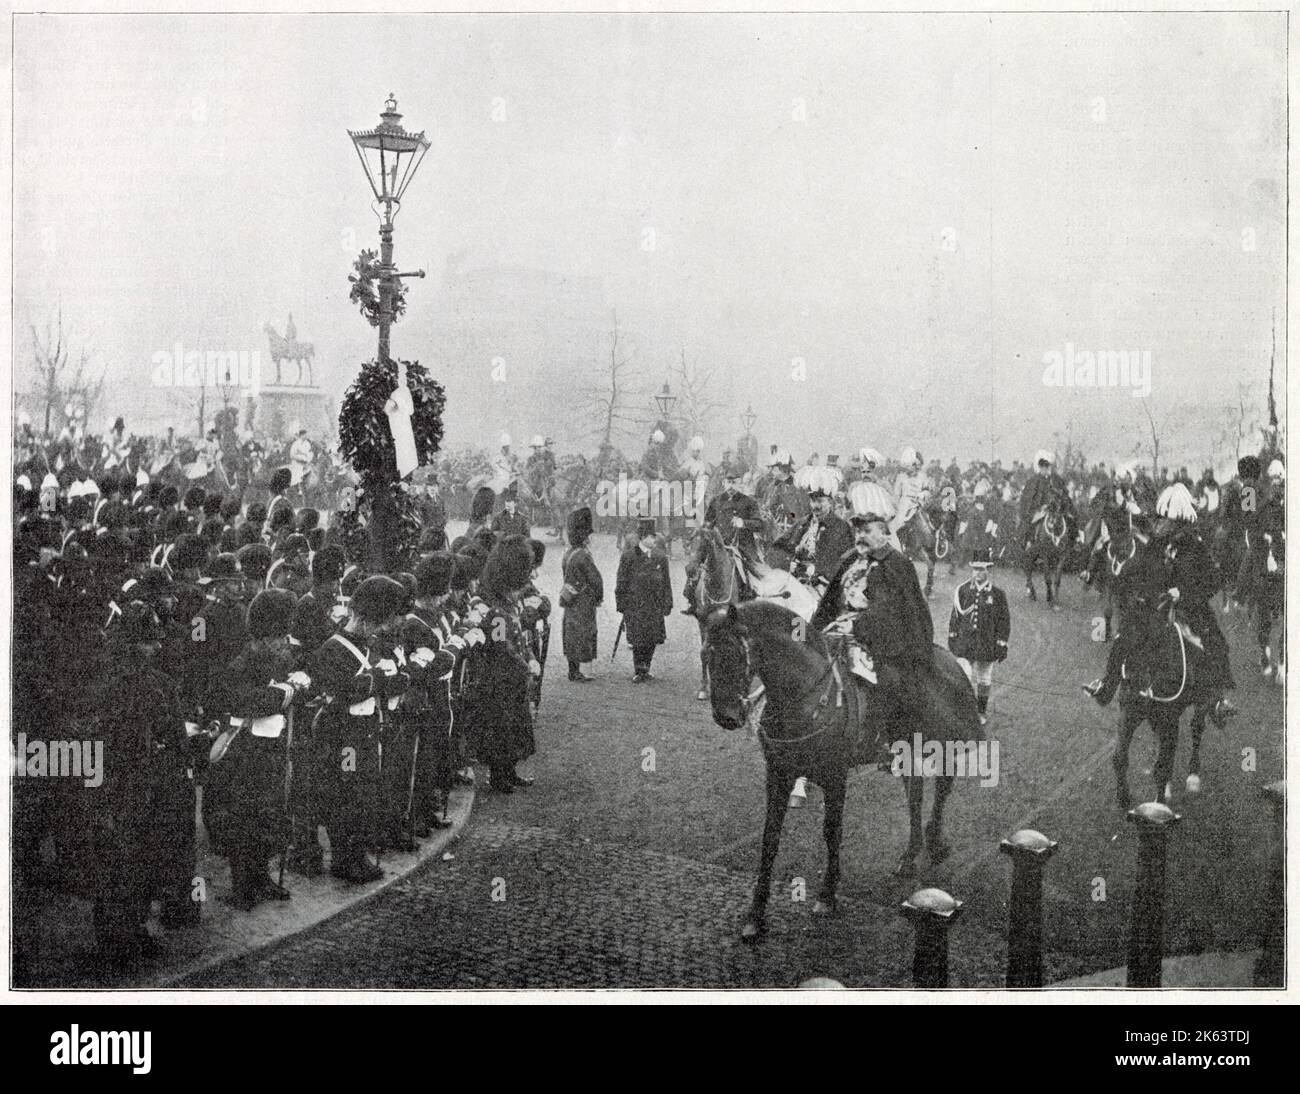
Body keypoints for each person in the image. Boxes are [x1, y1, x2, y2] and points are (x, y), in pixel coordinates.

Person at [811, 513, 935, 747]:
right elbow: (829, 601)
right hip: (840, 627)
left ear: (885, 534)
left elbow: (888, 608)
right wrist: (810, 631)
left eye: (867, 531)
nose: (860, 537)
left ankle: (889, 740)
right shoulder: (850, 559)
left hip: (886, 636)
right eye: (858, 532)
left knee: (888, 681)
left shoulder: (897, 563)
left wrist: (857, 625)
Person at [476, 535, 540, 793]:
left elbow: (519, 639)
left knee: (514, 728)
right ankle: (498, 776)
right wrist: (527, 666)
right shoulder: (495, 607)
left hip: (511, 676)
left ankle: (509, 772)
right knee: (502, 730)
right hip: (499, 677)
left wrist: (531, 658)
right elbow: (503, 647)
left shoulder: (505, 600)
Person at [947, 547, 1010, 726]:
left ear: (988, 570)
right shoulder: (963, 590)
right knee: (963, 676)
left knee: (984, 678)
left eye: (982, 569)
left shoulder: (998, 594)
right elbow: (955, 616)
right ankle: (964, 710)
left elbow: (1004, 621)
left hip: (986, 644)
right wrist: (952, 636)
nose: (978, 573)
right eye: (975, 569)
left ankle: (981, 711)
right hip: (965, 642)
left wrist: (1002, 644)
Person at [615, 518, 674, 682]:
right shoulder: (628, 557)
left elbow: (666, 582)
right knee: (638, 638)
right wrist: (621, 605)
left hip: (654, 605)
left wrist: (667, 602)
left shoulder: (660, 557)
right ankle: (639, 669)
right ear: (643, 538)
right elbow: (621, 582)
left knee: (652, 638)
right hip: (635, 605)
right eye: (651, 537)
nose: (654, 540)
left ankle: (646, 667)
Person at [775, 485, 853, 589]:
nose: (815, 506)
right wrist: (787, 563)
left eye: (820, 501)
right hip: (794, 578)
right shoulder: (802, 523)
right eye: (813, 501)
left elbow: (845, 559)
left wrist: (817, 570)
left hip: (823, 583)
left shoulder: (841, 526)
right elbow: (779, 547)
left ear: (830, 502)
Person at [561, 506, 603, 681]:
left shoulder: (569, 553)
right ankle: (575, 672)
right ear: (584, 537)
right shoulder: (584, 556)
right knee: (582, 634)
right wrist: (599, 597)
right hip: (583, 601)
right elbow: (596, 580)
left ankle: (573, 669)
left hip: (570, 598)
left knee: (571, 633)